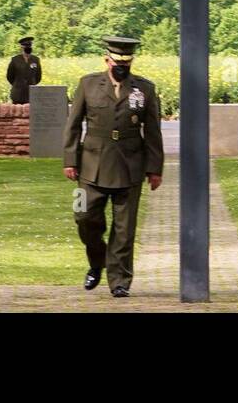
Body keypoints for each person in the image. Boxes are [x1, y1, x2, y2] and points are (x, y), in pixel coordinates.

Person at [63, 36, 163, 297]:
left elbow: (153, 131)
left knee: (124, 228)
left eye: (126, 62)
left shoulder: (144, 89)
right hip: (89, 168)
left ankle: (119, 281)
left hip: (130, 167)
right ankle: (97, 262)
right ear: (107, 60)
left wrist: (155, 169)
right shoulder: (87, 84)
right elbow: (73, 125)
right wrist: (70, 160)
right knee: (82, 216)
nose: (121, 66)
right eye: (117, 62)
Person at [6, 36, 42, 103]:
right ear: (21, 47)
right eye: (26, 46)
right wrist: (17, 84)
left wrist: (31, 83)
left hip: (31, 94)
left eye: (29, 45)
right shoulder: (15, 60)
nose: (28, 47)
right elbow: (9, 76)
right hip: (17, 94)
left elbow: (38, 77)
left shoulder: (36, 59)